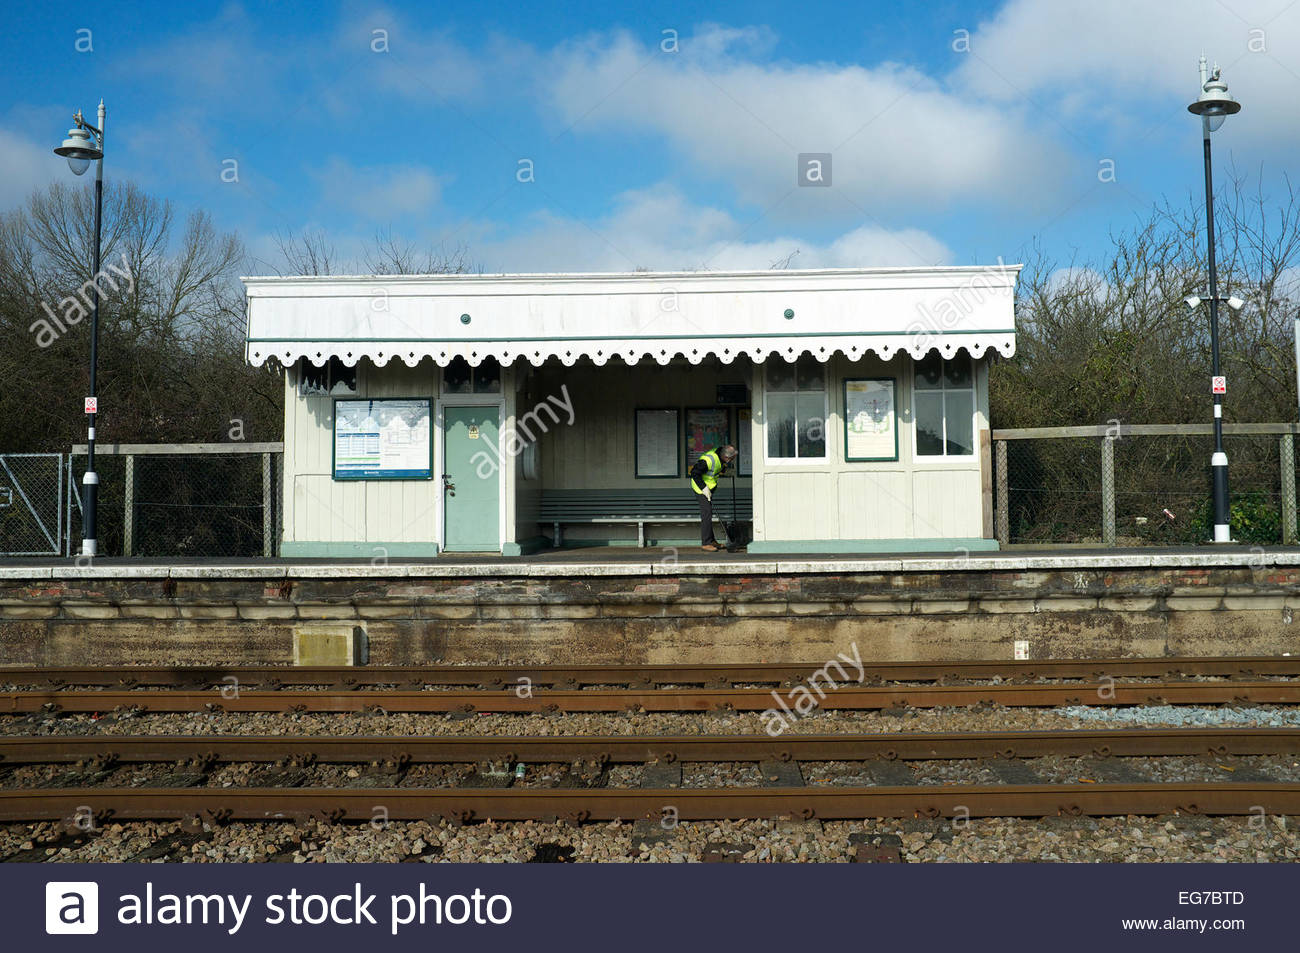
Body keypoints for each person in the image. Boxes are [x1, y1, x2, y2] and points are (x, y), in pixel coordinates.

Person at [690, 444, 737, 551]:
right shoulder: (708, 460)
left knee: (709, 512)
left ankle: (711, 541)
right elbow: (694, 473)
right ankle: (706, 543)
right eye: (731, 459)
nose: (732, 461)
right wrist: (704, 488)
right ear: (726, 457)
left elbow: (718, 468)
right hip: (700, 488)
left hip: (709, 489)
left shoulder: (721, 454)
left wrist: (726, 471)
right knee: (706, 513)